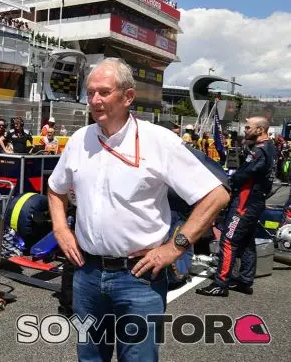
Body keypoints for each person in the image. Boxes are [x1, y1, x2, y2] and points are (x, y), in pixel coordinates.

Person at [46, 58, 229, 361]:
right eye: (90, 92)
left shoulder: (159, 141)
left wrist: (176, 247)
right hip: (87, 273)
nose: (94, 100)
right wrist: (60, 229)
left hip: (139, 277)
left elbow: (217, 193)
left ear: (128, 96)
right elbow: (55, 189)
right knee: (89, 357)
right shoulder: (79, 140)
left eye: (104, 92)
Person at [196, 116, 276, 297]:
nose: (245, 131)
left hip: (245, 203)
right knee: (246, 241)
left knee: (228, 241)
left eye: (248, 128)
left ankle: (220, 284)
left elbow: (243, 174)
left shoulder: (260, 151)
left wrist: (226, 184)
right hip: (255, 202)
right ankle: (245, 280)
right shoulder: (270, 148)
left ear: (260, 130)